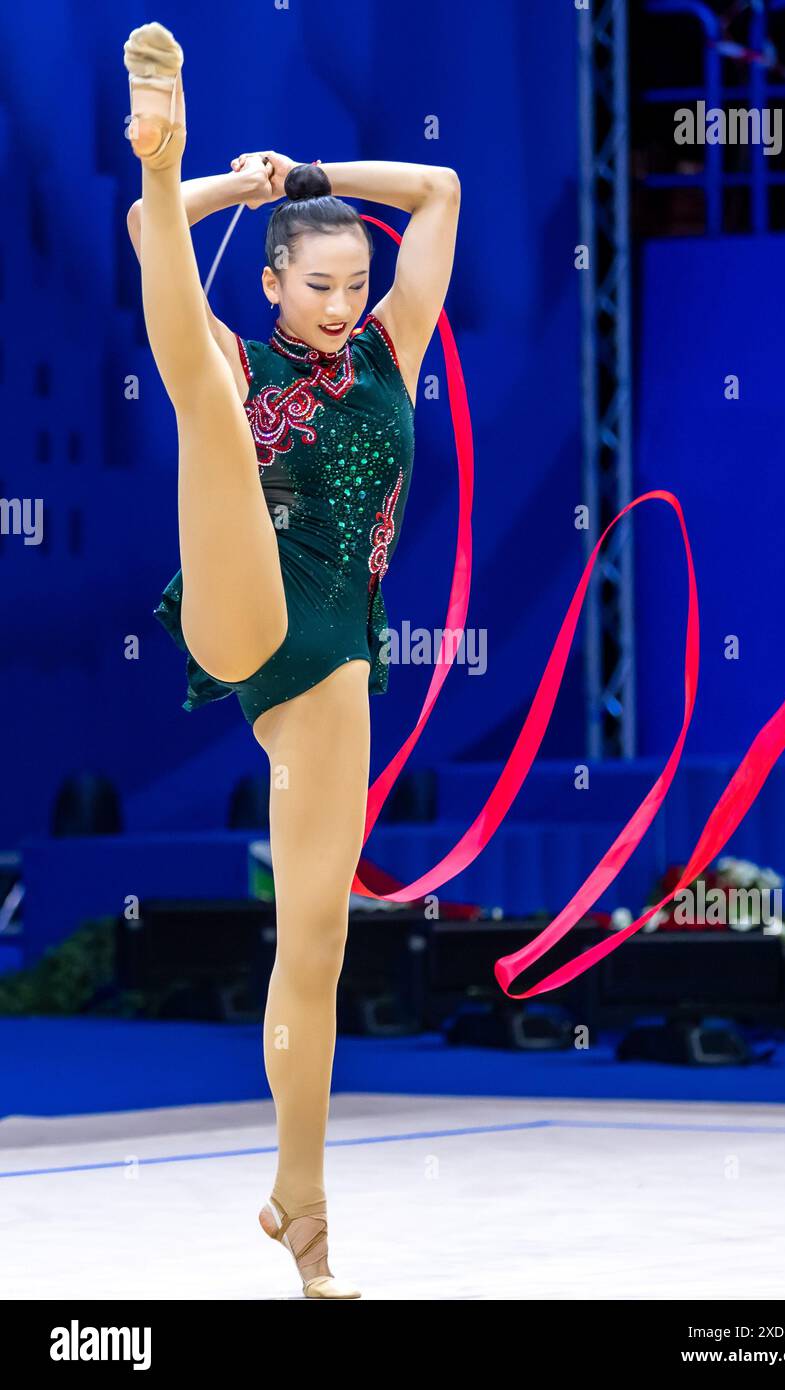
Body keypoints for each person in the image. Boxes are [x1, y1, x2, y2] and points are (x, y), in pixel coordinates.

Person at [122, 20, 460, 1298]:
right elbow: (151, 253)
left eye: (349, 283)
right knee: (203, 392)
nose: (340, 302)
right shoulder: (251, 347)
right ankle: (160, 139)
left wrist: (314, 175)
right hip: (242, 605)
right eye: (315, 285)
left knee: (312, 944)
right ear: (271, 284)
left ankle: (300, 1209)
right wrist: (204, 184)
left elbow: (440, 190)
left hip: (335, 660)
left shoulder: (392, 349)